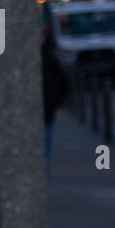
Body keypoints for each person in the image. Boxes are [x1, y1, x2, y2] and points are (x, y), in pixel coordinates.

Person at [41, 32, 69, 169]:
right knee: (46, 148)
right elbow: (65, 83)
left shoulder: (48, 61)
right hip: (48, 110)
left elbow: (64, 83)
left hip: (46, 108)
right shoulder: (52, 61)